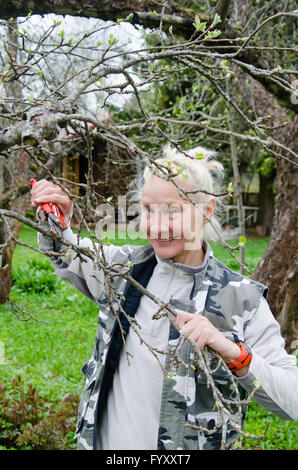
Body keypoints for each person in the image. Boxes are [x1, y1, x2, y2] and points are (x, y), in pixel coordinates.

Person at [31, 146, 298, 451]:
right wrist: (54, 217)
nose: (157, 226)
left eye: (173, 211)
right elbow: (66, 250)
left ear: (207, 209)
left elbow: (293, 400)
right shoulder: (123, 270)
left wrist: (236, 355)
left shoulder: (241, 299)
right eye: (147, 209)